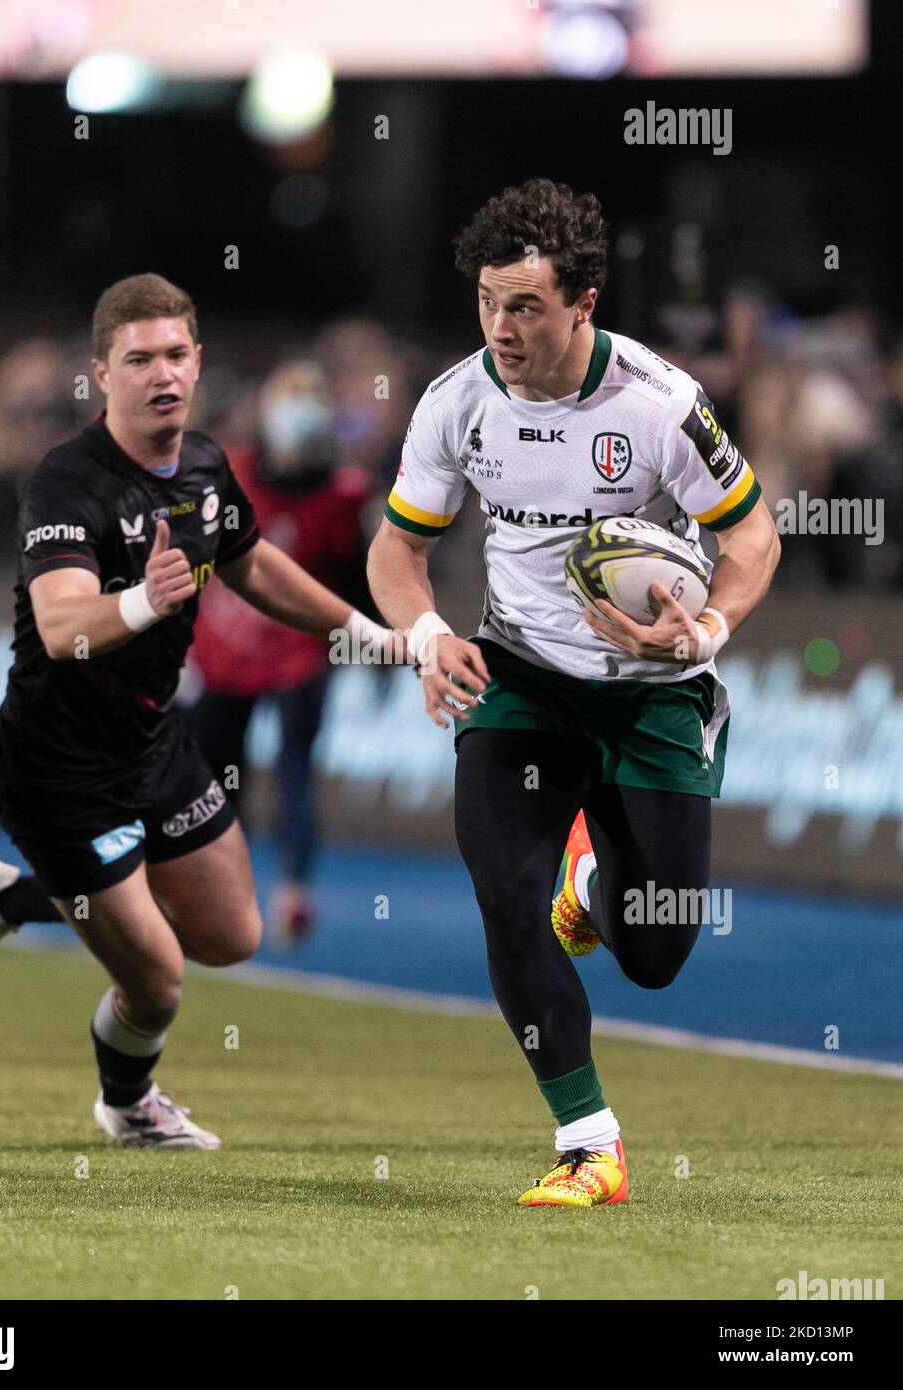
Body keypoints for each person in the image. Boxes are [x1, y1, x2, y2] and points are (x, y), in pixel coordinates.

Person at [366, 179, 780, 1207]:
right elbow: (396, 549)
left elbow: (751, 535)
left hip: (652, 692)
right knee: (501, 896)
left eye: (524, 307)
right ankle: (588, 1143)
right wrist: (422, 632)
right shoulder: (454, 402)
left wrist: (708, 625)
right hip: (520, 679)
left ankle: (589, 883)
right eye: (486, 303)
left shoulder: (655, 404)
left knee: (653, 954)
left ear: (583, 300)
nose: (499, 328)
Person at [0, 272, 397, 1150]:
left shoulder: (202, 463)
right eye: (139, 358)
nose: (162, 374)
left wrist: (370, 636)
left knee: (232, 934)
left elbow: (252, 564)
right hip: (59, 773)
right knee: (157, 980)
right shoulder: (67, 482)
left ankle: (8, 898)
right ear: (100, 375)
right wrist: (146, 604)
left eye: (177, 355)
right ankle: (129, 1107)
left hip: (154, 745)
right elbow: (63, 623)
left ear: (199, 363)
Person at [178, 359, 376, 945]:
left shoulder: (345, 494)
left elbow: (357, 576)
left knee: (294, 769)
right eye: (291, 394)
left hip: (299, 648)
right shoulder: (230, 471)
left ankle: (293, 887)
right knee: (218, 774)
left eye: (311, 395)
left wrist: (370, 636)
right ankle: (225, 886)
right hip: (225, 644)